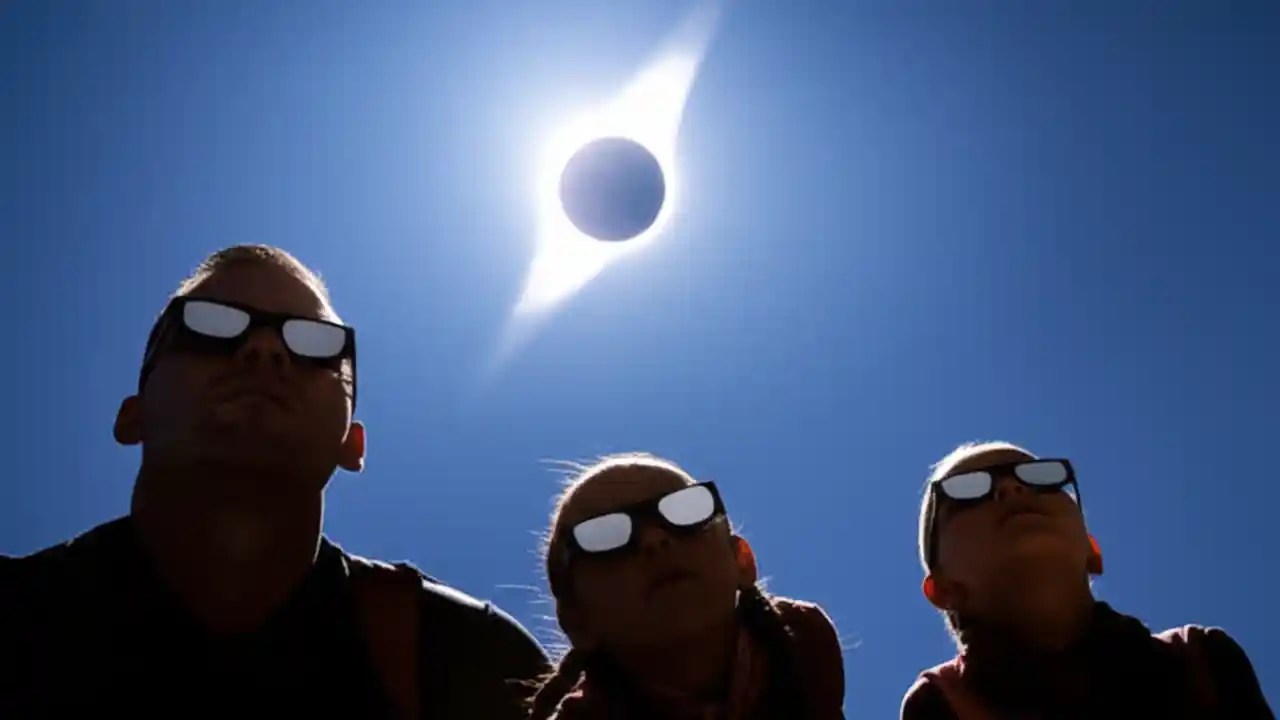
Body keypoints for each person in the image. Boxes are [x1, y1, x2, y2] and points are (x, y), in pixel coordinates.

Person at [0, 245, 549, 718]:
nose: (264, 351)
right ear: (132, 415)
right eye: (209, 325)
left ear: (352, 445)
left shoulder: (471, 661)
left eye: (314, 342)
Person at [901, 440, 1274, 719]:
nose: (1013, 488)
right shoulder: (940, 704)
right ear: (944, 589)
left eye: (1041, 478)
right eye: (967, 491)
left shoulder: (1201, 659)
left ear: (1092, 550)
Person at [527, 452, 846, 720]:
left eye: (686, 510)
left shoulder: (804, 645)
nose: (655, 539)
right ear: (577, 619)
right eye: (604, 535)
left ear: (742, 561)